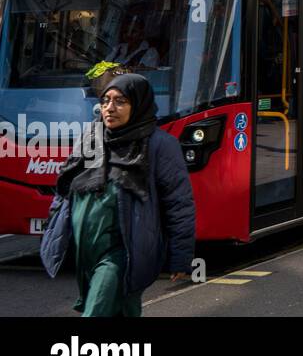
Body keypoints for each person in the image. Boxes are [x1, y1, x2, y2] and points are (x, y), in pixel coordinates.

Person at [40, 73, 195, 316]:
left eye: (120, 101)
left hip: (124, 250)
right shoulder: (91, 137)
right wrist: (53, 229)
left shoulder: (159, 145)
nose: (109, 108)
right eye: (105, 101)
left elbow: (179, 204)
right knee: (124, 309)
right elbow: (66, 187)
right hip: (86, 249)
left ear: (139, 104)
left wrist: (181, 257)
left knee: (97, 310)